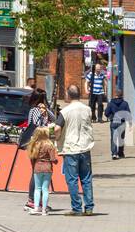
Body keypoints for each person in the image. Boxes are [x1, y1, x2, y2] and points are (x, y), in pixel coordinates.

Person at [56, 85, 96, 216]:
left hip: (71, 148)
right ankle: (89, 207)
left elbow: (57, 128)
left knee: (72, 179)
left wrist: (56, 138)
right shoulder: (87, 109)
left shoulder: (65, 111)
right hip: (85, 147)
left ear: (68, 95)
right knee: (86, 178)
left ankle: (77, 208)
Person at [23, 89, 54, 211]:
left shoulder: (42, 110)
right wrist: (42, 113)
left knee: (39, 173)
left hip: (40, 144)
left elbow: (53, 118)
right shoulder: (35, 110)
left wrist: (46, 110)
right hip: (37, 144)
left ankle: (37, 201)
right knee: (36, 173)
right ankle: (32, 200)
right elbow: (37, 125)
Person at [27, 126, 58, 216]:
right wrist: (56, 161)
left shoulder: (34, 144)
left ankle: (36, 208)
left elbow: (32, 158)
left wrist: (34, 166)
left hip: (37, 168)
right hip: (48, 168)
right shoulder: (50, 145)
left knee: (37, 188)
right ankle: (44, 210)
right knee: (45, 189)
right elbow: (53, 159)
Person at [105, 87, 131, 160]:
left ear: (115, 95)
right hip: (122, 122)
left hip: (114, 122)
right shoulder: (125, 103)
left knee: (113, 138)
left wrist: (111, 117)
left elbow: (106, 113)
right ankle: (120, 153)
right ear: (122, 95)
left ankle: (114, 154)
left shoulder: (111, 103)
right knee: (121, 138)